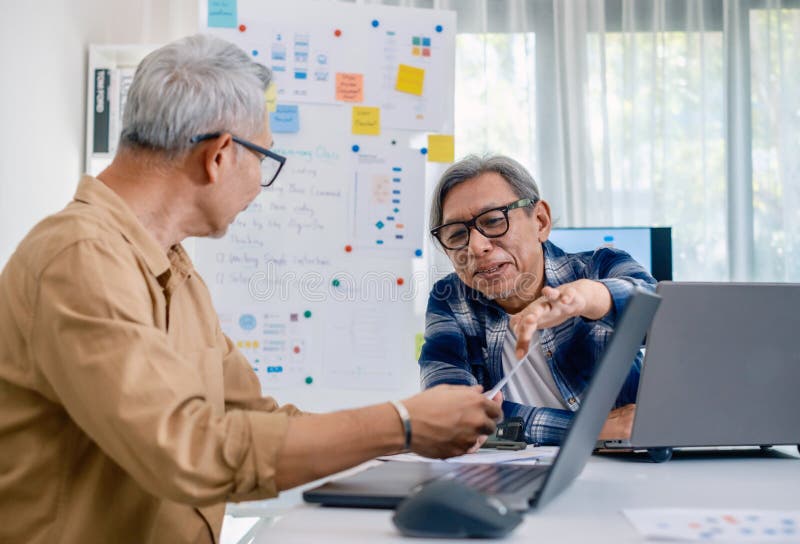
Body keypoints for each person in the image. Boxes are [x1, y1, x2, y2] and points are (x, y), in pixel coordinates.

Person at [0, 35, 502, 544]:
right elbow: (188, 452)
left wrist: (413, 437)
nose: (262, 180)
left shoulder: (174, 270)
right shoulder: (79, 258)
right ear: (219, 155)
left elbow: (254, 419)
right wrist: (402, 423)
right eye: (263, 157)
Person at [419, 155, 656, 446]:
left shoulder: (601, 265)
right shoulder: (450, 301)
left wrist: (591, 298)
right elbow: (452, 415)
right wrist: (587, 429)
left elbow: (669, 323)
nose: (477, 247)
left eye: (493, 221)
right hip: (512, 478)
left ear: (540, 221)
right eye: (457, 234)